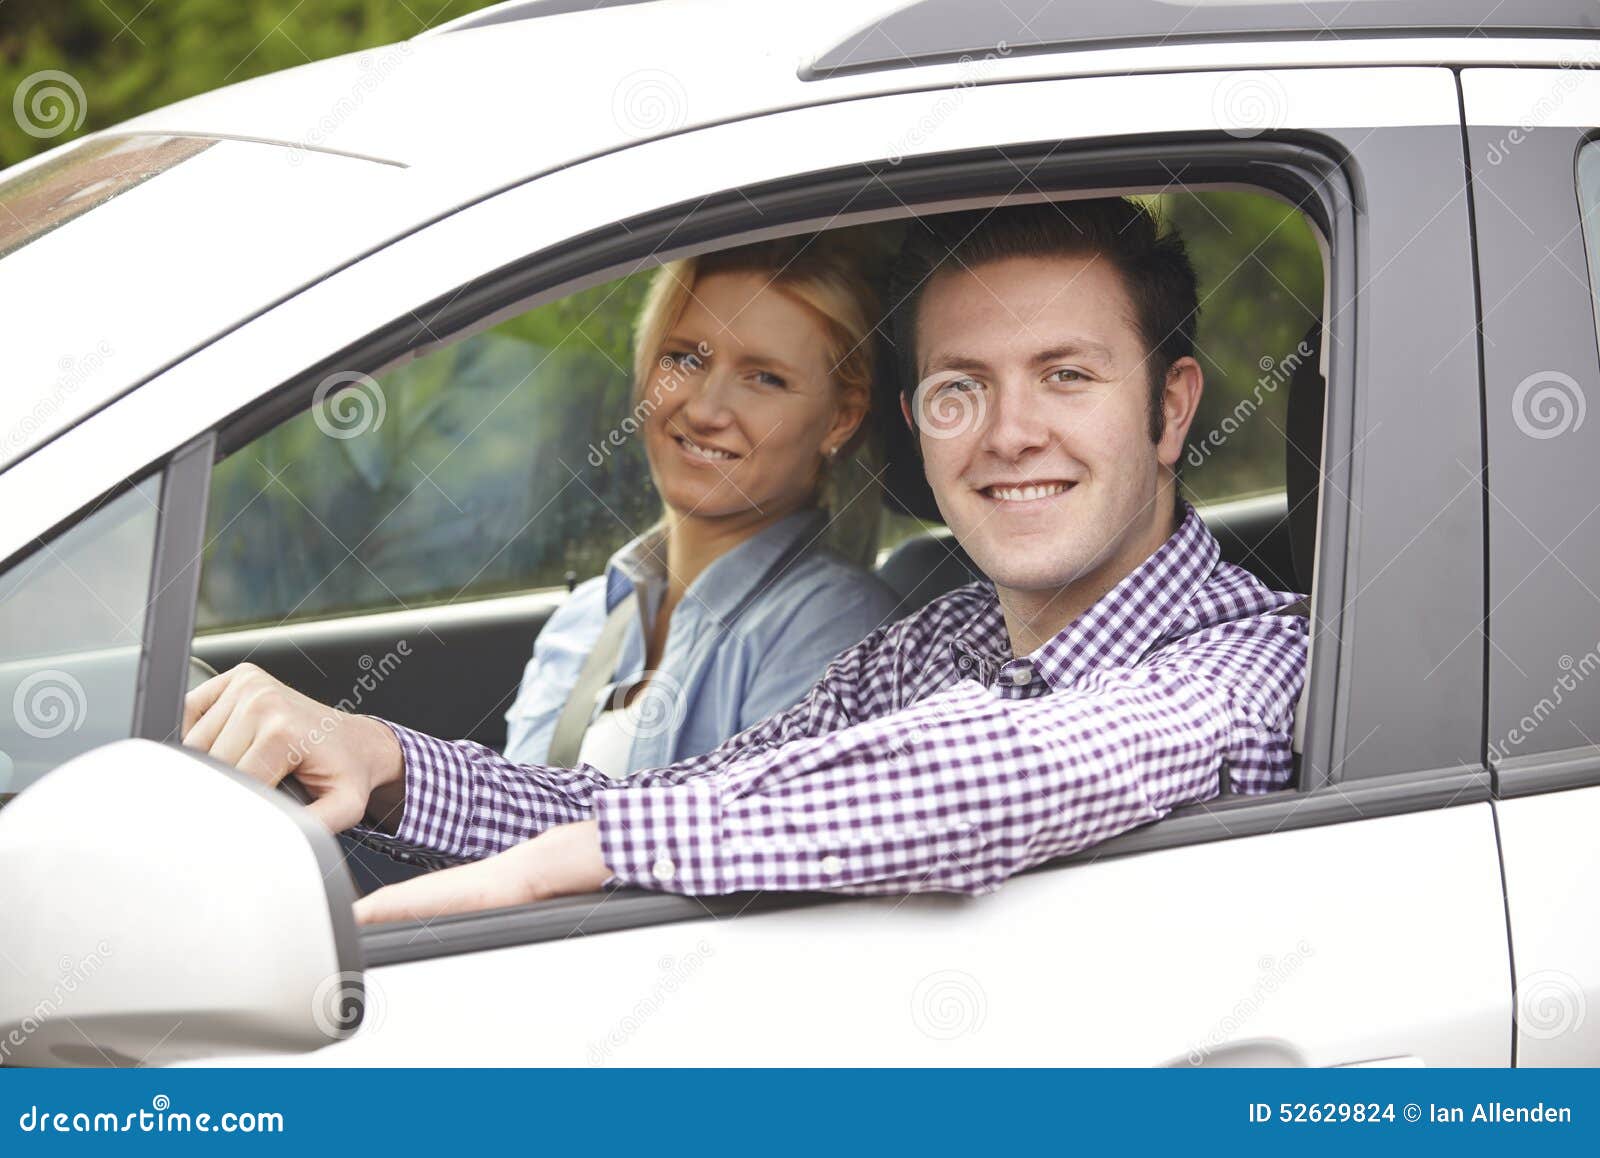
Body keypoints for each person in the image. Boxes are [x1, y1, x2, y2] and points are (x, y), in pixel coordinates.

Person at [180, 198, 1310, 925]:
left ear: (1169, 411)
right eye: (963, 388)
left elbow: (1007, 771)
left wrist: (560, 864)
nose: (1009, 434)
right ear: (916, 419)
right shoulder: (937, 642)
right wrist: (384, 756)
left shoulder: (1254, 657)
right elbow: (685, 799)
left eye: (1067, 376)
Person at [500, 236, 900, 777]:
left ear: (840, 420)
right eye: (685, 358)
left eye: (764, 378)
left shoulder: (837, 630)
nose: (707, 409)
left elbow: (747, 853)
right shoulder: (583, 619)